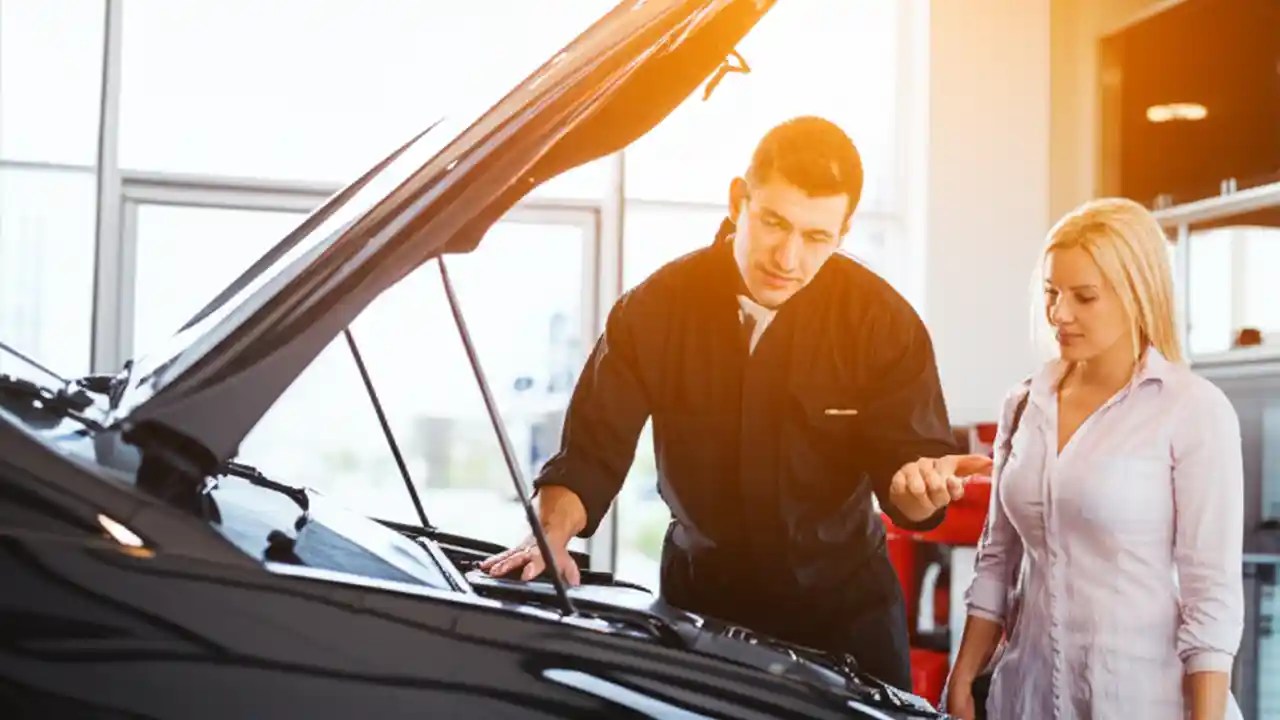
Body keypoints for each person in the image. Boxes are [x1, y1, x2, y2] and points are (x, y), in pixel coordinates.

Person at [479, 115, 991, 690]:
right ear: (737, 201)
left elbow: (912, 480)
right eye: (774, 222)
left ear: (843, 233)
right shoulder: (653, 309)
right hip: (703, 609)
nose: (788, 257)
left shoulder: (884, 325)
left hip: (845, 615)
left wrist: (915, 493)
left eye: (817, 237)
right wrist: (549, 533)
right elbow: (591, 454)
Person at [943, 197, 1245, 719]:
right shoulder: (1023, 404)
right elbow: (997, 558)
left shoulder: (1193, 410)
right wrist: (962, 676)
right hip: (1026, 699)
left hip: (1141, 701)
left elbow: (1211, 595)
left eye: (1084, 297)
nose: (1060, 314)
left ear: (1137, 295)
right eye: (1051, 293)